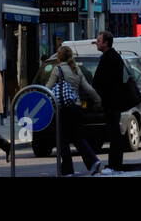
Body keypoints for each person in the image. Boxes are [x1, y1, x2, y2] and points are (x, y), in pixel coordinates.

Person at [46, 45, 103, 176]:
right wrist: (98, 100)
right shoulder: (76, 69)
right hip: (77, 108)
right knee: (78, 137)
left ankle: (67, 170)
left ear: (59, 57)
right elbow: (88, 88)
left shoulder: (58, 69)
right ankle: (93, 161)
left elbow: (48, 88)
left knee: (62, 140)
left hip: (64, 109)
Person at [92, 31, 126, 174]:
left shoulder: (109, 58)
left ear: (106, 43)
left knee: (114, 133)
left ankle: (114, 165)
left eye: (99, 41)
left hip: (111, 101)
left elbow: (101, 81)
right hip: (113, 100)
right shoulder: (113, 56)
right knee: (114, 133)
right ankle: (115, 164)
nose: (97, 43)